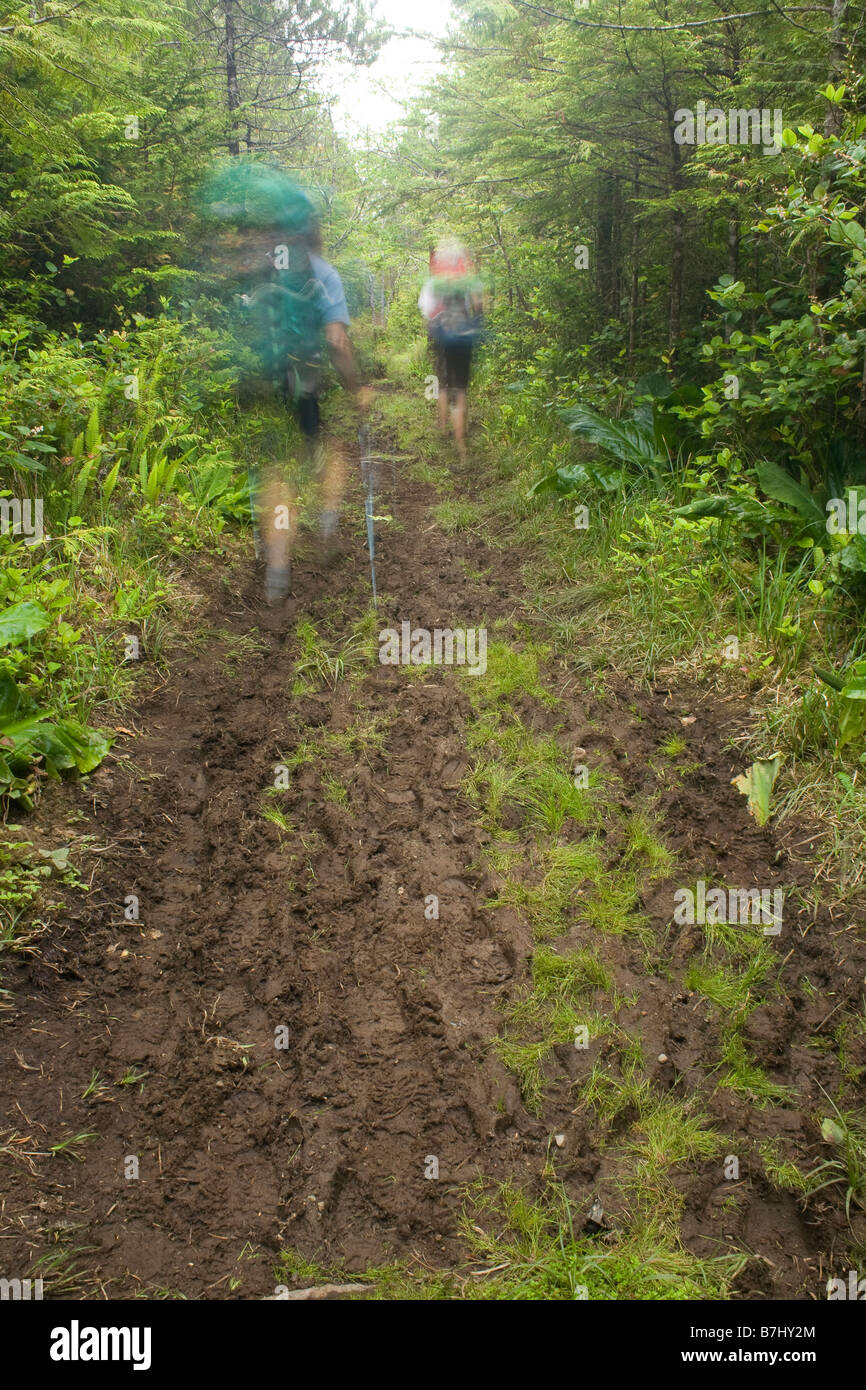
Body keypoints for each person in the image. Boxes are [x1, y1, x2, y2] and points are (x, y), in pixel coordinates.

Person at [201, 162, 371, 604]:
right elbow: (337, 339)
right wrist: (357, 389)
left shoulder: (259, 268)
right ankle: (328, 513)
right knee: (320, 451)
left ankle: (278, 570)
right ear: (312, 229)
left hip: (260, 386)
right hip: (306, 384)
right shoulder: (321, 272)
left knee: (275, 472)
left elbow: (236, 327)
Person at [419, 239, 483, 463]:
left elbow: (427, 309)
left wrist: (435, 327)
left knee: (444, 382)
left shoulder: (438, 280)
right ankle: (462, 448)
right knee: (461, 390)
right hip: (464, 334)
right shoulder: (467, 280)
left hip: (444, 333)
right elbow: (478, 306)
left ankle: (443, 428)